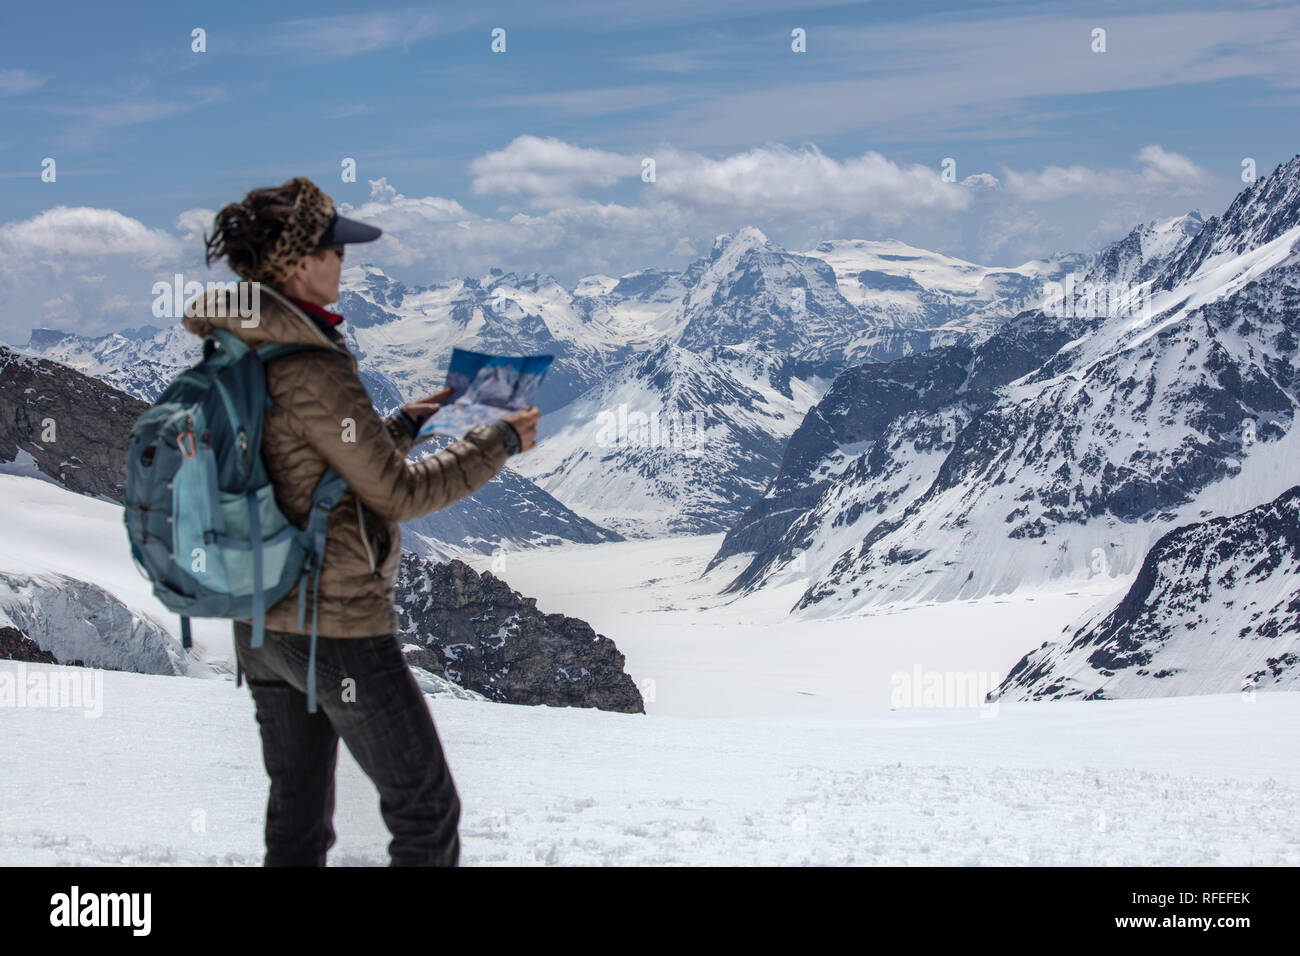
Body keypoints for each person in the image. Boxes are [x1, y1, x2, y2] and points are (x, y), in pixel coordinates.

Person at [184, 176, 541, 866]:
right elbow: (396, 496)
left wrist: (406, 421)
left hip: (261, 619)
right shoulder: (311, 362)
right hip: (336, 625)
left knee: (296, 819)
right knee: (425, 812)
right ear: (296, 262)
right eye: (334, 248)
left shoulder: (238, 345)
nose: (344, 260)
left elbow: (309, 465)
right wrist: (498, 441)